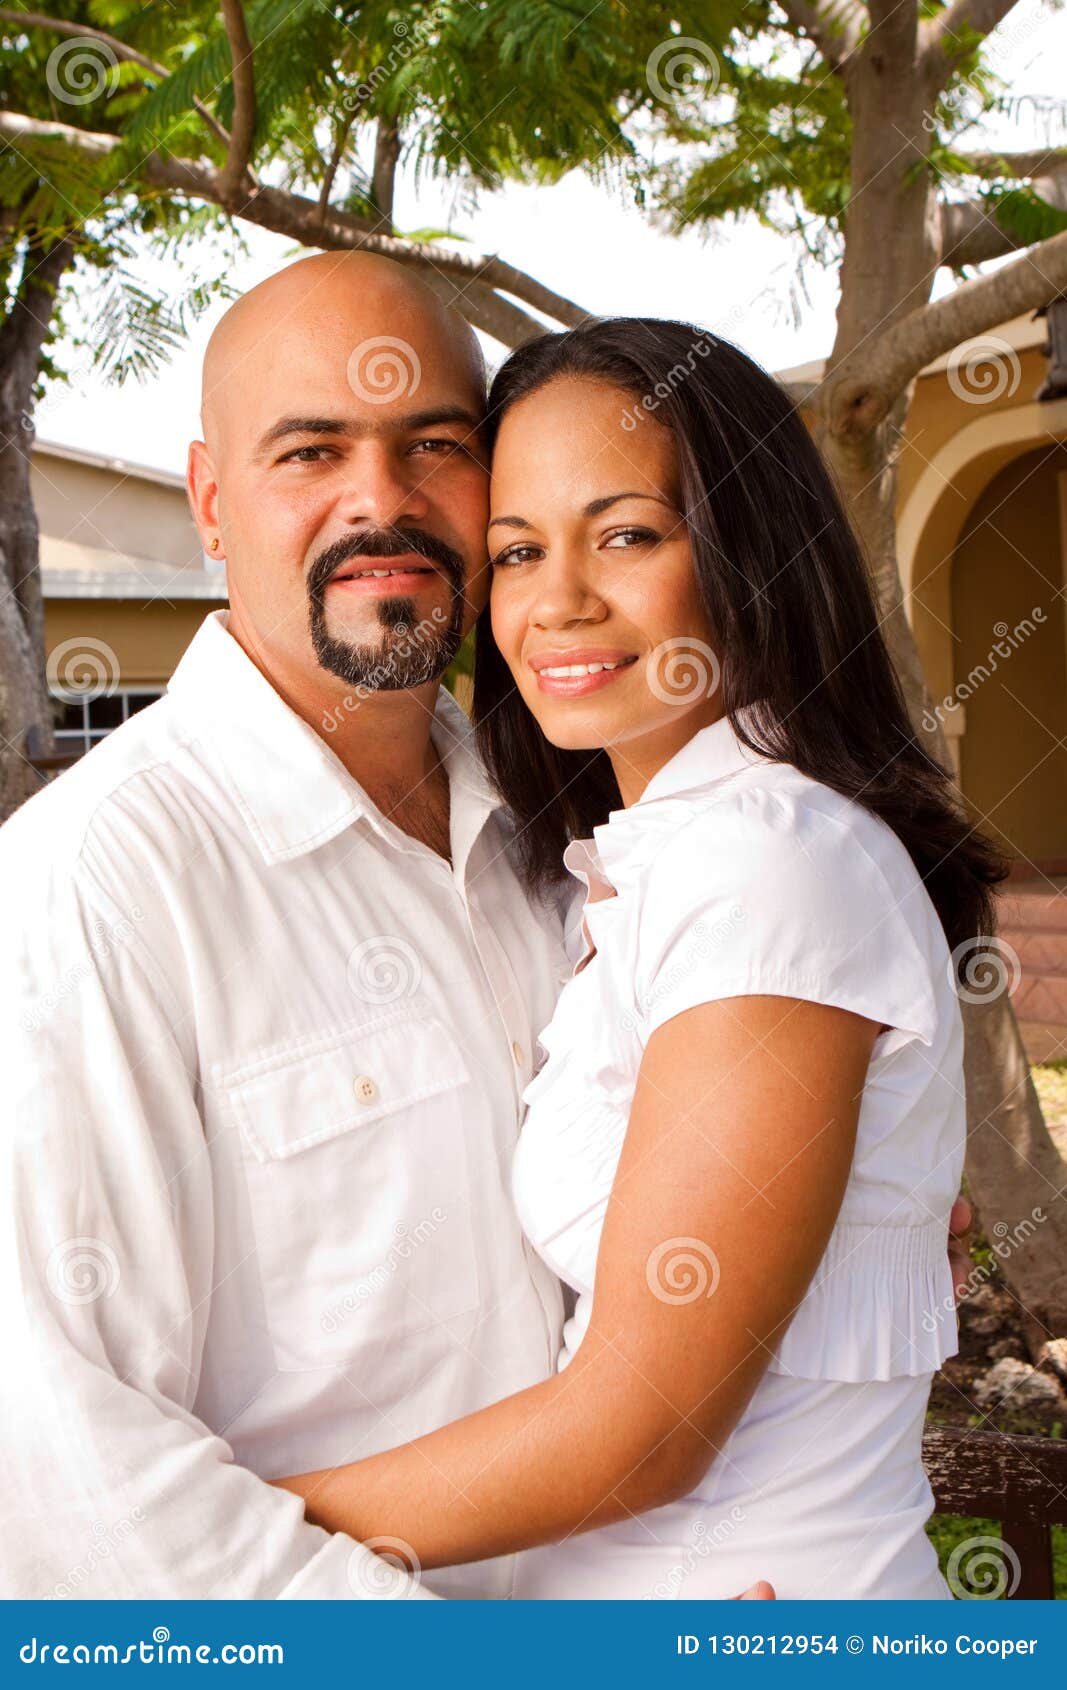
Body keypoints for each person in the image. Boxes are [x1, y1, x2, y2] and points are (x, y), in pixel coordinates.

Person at [0, 254, 781, 1600]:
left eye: (435, 444)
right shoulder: (89, 889)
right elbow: (71, 1472)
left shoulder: (576, 832)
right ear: (209, 503)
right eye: (311, 451)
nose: (382, 501)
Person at [271, 318, 1003, 1599]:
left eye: (625, 534)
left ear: (742, 553)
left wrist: (219, 1532)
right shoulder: (653, 861)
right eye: (515, 551)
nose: (558, 598)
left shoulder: (766, 864)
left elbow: (647, 1429)